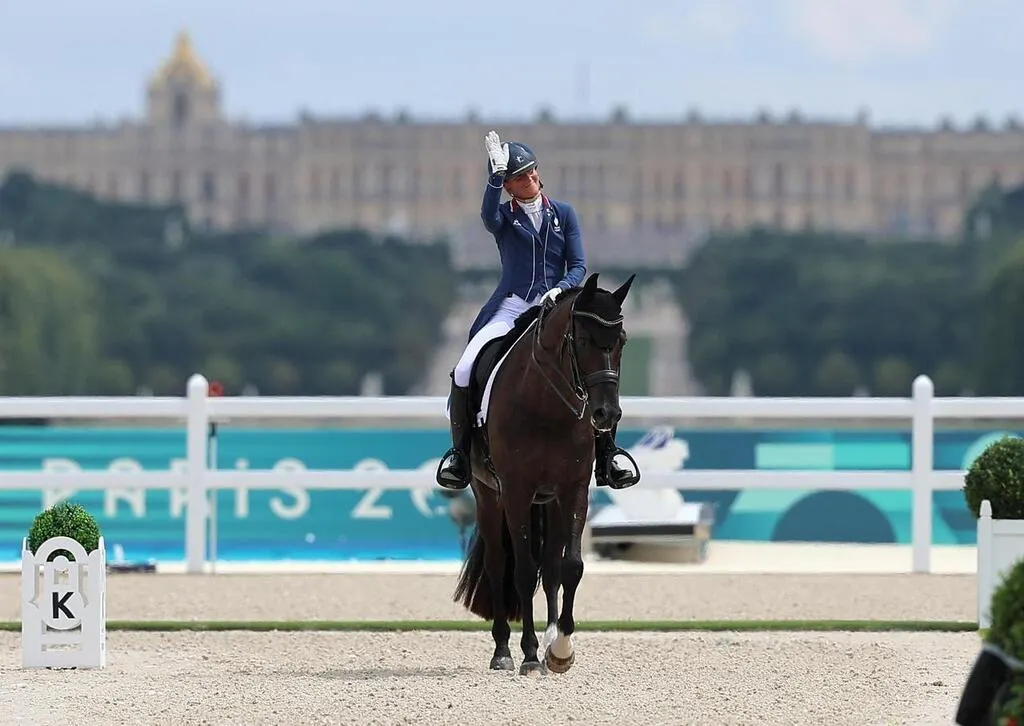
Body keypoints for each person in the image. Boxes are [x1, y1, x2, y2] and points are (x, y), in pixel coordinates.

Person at [434, 129, 640, 492]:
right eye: (519, 178)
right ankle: (460, 454)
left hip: (555, 303)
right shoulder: (503, 217)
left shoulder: (563, 213)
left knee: (595, 364)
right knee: (466, 367)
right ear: (510, 186)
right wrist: (494, 179)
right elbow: (486, 215)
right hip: (512, 305)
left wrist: (561, 289)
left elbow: (577, 264)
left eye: (531, 172)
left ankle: (608, 454)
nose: (530, 179)